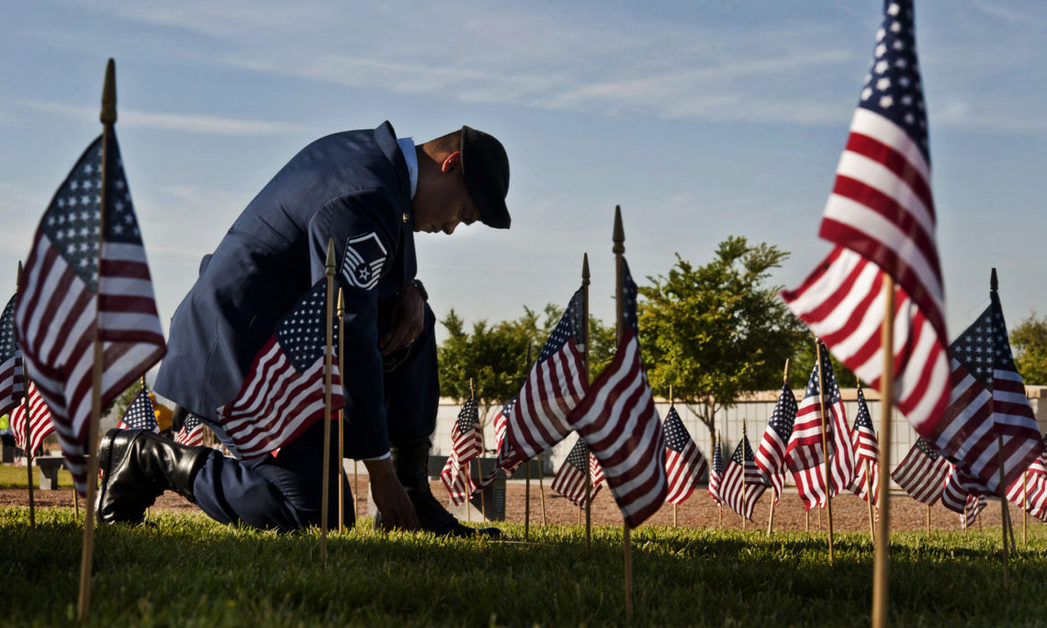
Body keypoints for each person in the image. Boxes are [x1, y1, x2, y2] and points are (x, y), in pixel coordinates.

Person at [95, 122, 509, 536]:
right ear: (450, 165)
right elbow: (348, 330)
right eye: (464, 213)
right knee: (317, 514)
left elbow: (365, 286)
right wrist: (380, 473)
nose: (453, 227)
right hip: (239, 354)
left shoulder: (380, 170)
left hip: (287, 344)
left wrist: (412, 291)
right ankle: (145, 458)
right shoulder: (366, 192)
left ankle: (412, 499)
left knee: (413, 317)